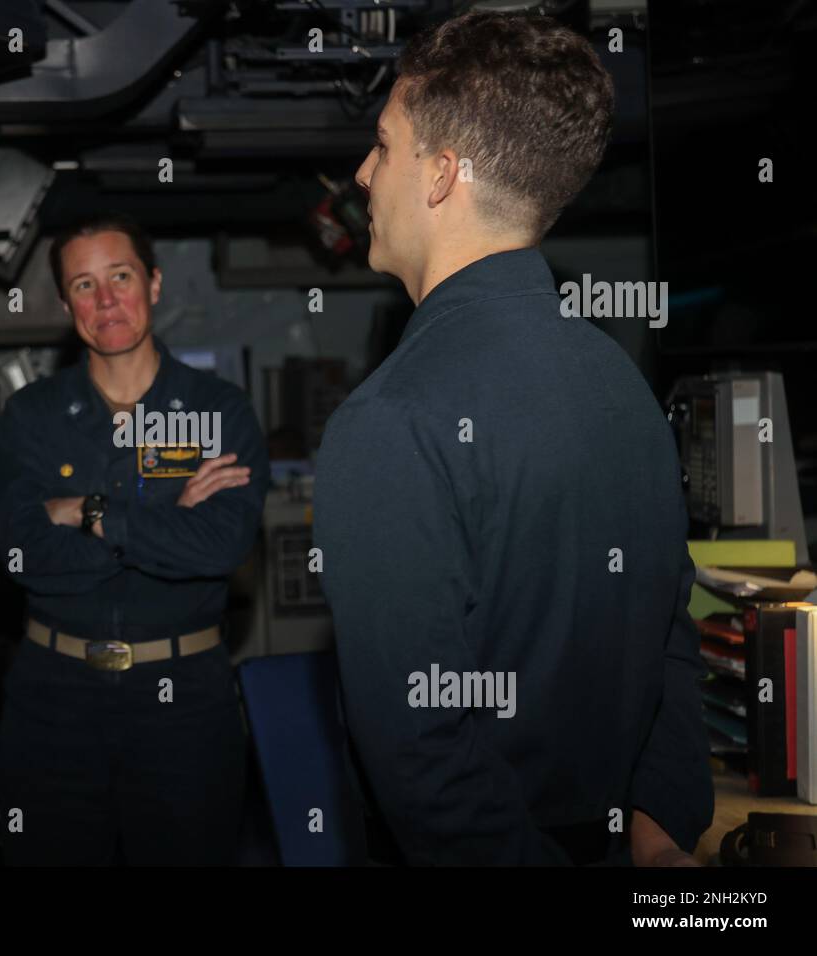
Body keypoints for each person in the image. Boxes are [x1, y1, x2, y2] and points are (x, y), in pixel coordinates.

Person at [313, 11, 712, 865]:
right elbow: (671, 631)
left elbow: (427, 767)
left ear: (440, 176)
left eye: (383, 145)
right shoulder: (625, 389)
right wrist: (660, 825)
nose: (362, 171)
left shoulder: (388, 422)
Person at [0, 213, 269, 865]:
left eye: (121, 276)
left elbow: (220, 546)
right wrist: (169, 520)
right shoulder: (30, 418)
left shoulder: (216, 411)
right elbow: (26, 557)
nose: (106, 300)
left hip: (183, 705)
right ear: (65, 305)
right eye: (83, 286)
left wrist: (89, 513)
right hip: (54, 702)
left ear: (156, 283)